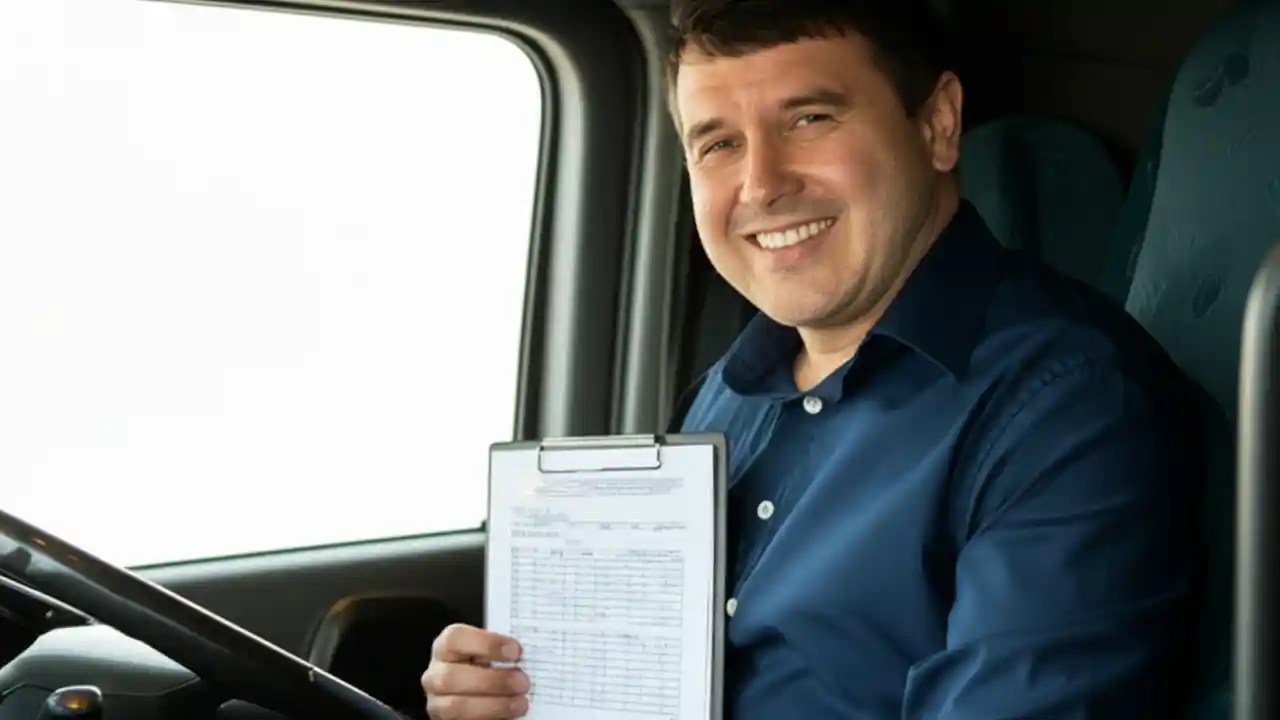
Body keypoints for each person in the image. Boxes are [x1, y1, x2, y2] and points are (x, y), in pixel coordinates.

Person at [420, 1, 1199, 717]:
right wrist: (526, 690)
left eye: (809, 119)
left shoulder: (1069, 407)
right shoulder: (725, 397)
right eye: (719, 143)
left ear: (937, 125)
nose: (761, 184)